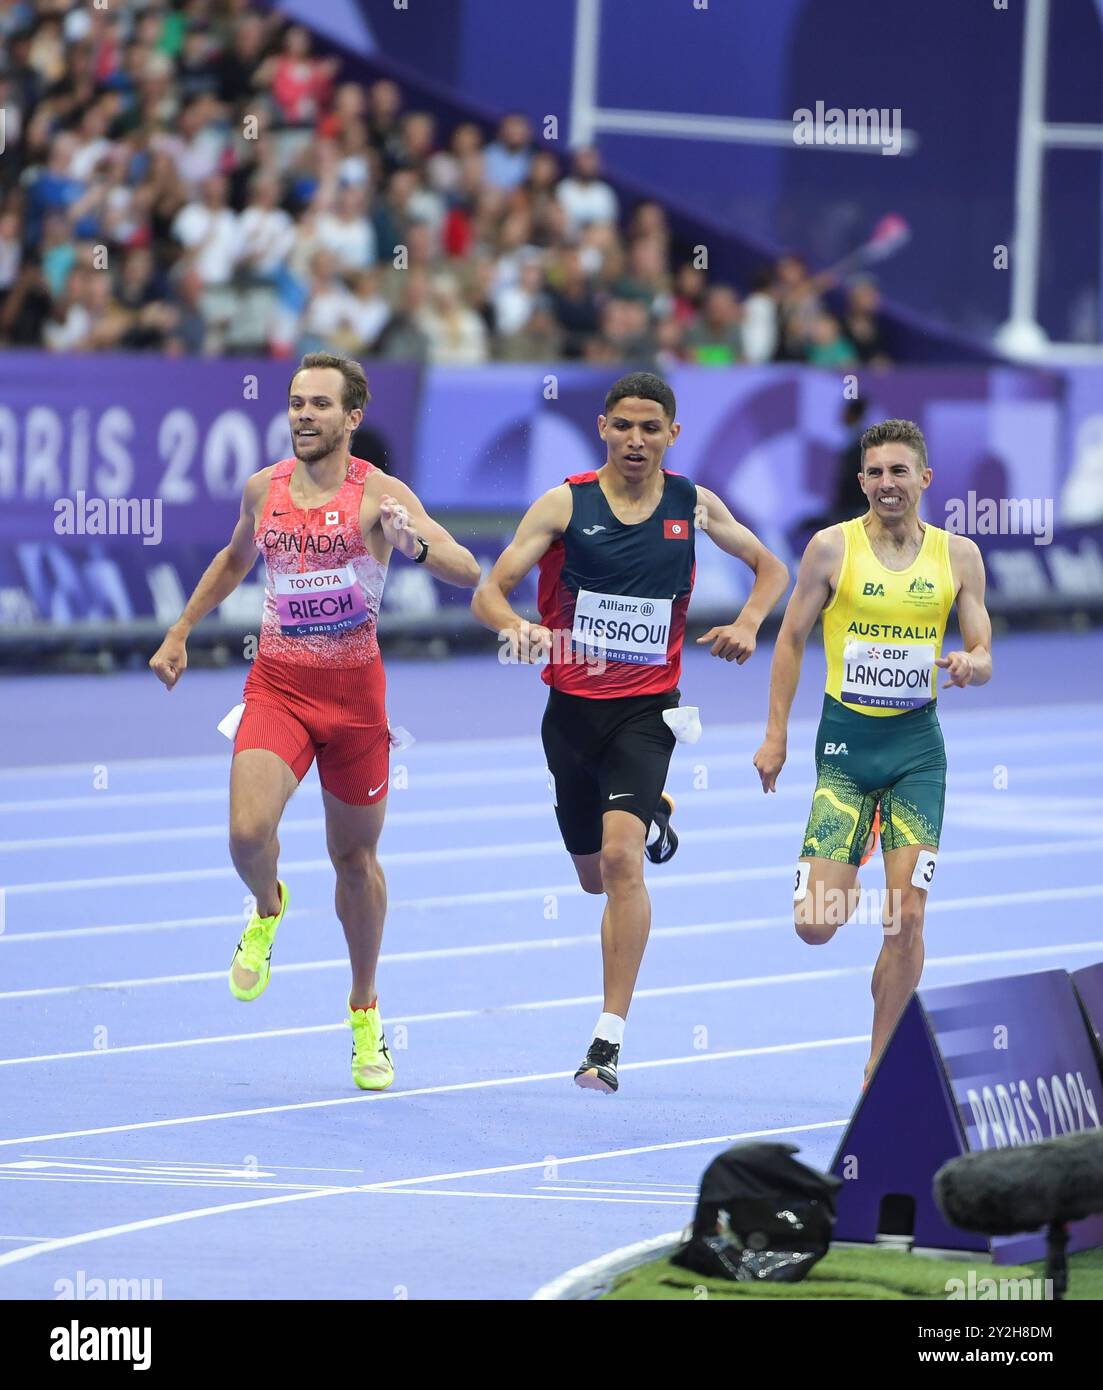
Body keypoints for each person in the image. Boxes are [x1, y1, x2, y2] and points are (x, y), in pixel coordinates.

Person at [149, 353, 481, 1090]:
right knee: (245, 833)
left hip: (357, 705)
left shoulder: (378, 496)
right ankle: (267, 907)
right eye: (296, 402)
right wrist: (180, 630)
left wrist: (416, 543)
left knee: (354, 865)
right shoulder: (262, 489)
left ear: (351, 418)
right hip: (278, 688)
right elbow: (234, 562)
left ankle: (365, 1015)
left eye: (320, 405)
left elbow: (466, 569)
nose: (303, 414)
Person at [472, 371, 789, 1094]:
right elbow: (488, 590)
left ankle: (606, 1041)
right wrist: (518, 627)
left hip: (647, 714)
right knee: (590, 879)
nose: (636, 440)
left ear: (672, 435)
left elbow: (770, 569)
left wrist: (746, 623)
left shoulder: (692, 504)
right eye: (623, 426)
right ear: (604, 430)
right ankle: (650, 809)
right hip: (571, 716)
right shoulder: (563, 502)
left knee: (620, 864)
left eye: (651, 428)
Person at [753, 418, 993, 1084]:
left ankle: (880, 1064)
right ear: (861, 482)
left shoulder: (958, 557)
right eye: (876, 474)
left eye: (899, 472)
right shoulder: (829, 550)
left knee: (906, 916)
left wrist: (972, 665)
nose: (887, 485)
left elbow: (982, 651)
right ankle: (851, 849)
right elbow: (792, 639)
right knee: (814, 924)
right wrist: (775, 733)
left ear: (924, 478)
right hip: (845, 756)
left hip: (917, 755)